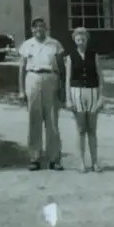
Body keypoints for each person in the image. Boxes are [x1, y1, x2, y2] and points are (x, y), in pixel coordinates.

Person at [18, 17, 65, 171]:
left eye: (42, 26)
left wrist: (62, 89)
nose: (39, 29)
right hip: (32, 78)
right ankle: (34, 158)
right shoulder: (27, 45)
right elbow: (22, 69)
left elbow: (62, 68)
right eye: (36, 27)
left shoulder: (55, 44)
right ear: (32, 29)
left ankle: (54, 159)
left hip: (51, 78)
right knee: (34, 120)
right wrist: (21, 90)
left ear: (46, 28)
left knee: (52, 121)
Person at [64, 27, 104, 172]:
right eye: (78, 38)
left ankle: (95, 162)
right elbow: (67, 79)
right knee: (81, 129)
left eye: (83, 38)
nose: (81, 41)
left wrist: (101, 97)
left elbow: (100, 77)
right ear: (74, 40)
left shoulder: (94, 55)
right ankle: (81, 162)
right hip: (77, 93)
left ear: (87, 39)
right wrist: (68, 99)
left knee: (92, 129)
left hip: (92, 93)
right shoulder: (70, 57)